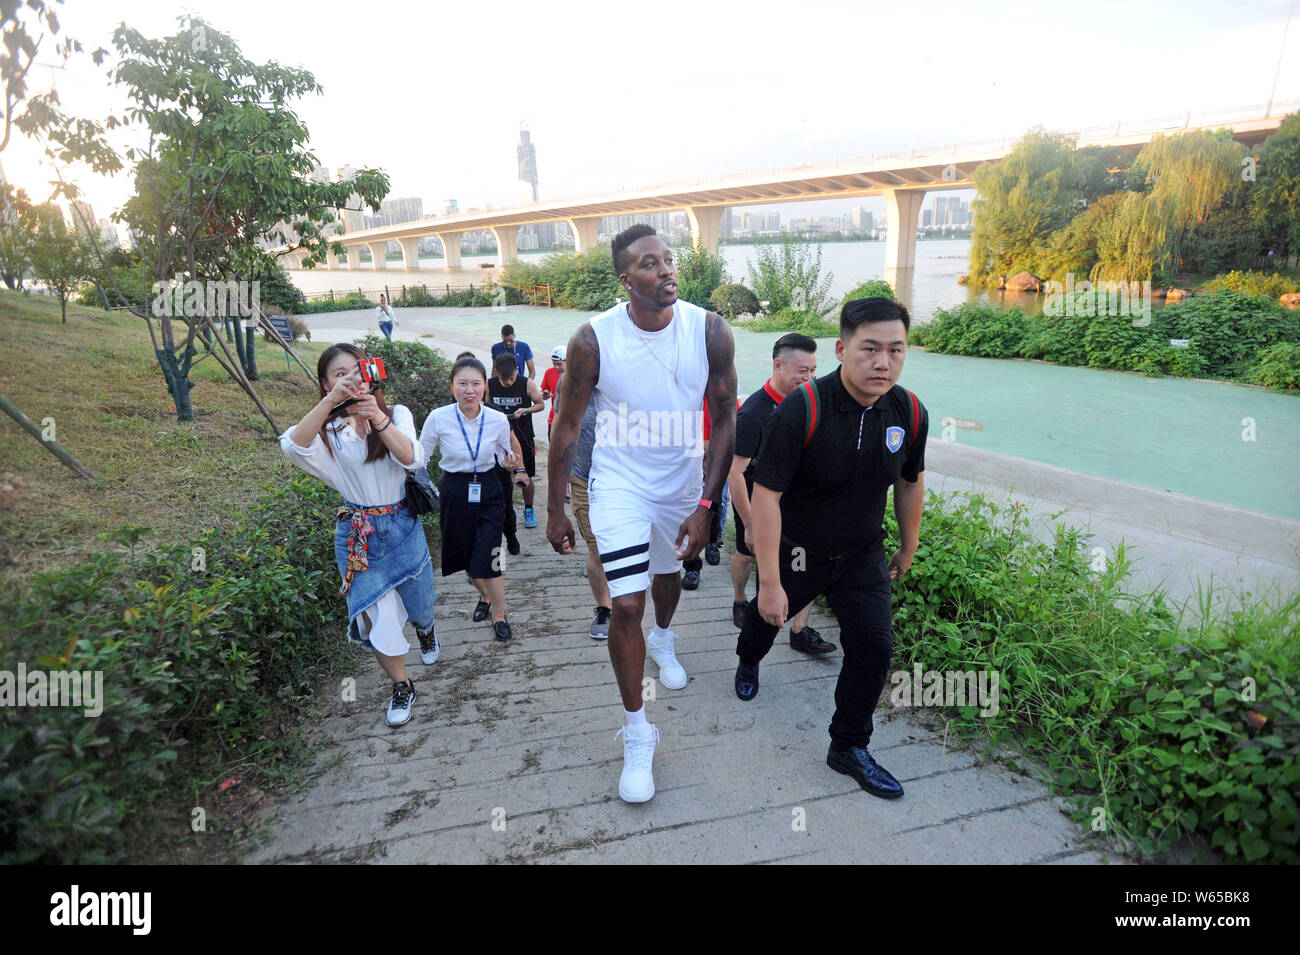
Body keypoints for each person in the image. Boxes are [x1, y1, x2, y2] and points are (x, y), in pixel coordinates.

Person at [547, 224, 736, 803]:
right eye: (649, 264)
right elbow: (567, 426)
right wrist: (554, 507)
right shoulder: (592, 340)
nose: (666, 270)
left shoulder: (709, 331)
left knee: (667, 579)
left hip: (682, 482)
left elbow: (727, 417)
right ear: (625, 278)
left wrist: (707, 504)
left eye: (669, 259)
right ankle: (638, 731)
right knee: (624, 601)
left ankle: (665, 636)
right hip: (620, 485)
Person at [735, 297, 927, 801]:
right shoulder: (803, 408)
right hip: (800, 550)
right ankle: (747, 658)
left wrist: (909, 545)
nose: (882, 362)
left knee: (875, 645)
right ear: (843, 349)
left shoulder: (908, 411)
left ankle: (847, 745)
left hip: (862, 553)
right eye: (869, 349)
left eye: (895, 350)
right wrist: (772, 583)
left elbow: (910, 481)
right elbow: (767, 495)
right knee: (766, 617)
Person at [280, 343, 436, 727]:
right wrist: (333, 401)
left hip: (401, 522)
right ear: (325, 383)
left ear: (370, 373)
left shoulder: (395, 413)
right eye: (339, 374)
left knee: (420, 606)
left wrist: (379, 420)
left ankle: (426, 629)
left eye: (355, 370)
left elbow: (413, 458)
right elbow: (292, 445)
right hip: (357, 532)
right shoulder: (327, 430)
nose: (350, 379)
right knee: (373, 615)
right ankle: (402, 684)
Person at [728, 332, 832, 655]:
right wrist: (749, 523)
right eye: (803, 371)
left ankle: (799, 630)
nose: (810, 377)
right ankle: (740, 599)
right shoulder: (754, 413)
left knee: (807, 562)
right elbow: (735, 472)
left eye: (814, 370)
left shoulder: (810, 404)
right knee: (748, 555)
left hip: (796, 502)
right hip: (756, 499)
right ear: (778, 365)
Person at [420, 356, 527, 641]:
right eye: (463, 384)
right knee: (467, 560)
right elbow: (419, 456)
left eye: (476, 384)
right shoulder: (438, 418)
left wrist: (512, 464)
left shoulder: (496, 419)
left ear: (484, 387)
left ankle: (500, 615)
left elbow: (505, 454)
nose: (470, 390)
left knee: (491, 557)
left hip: (490, 489)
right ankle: (485, 596)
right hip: (455, 489)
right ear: (452, 386)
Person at [486, 353, 545, 542]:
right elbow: (484, 406)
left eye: (512, 378)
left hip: (523, 435)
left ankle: (529, 509)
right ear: (496, 373)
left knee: (525, 474)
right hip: (498, 439)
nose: (509, 382)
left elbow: (540, 404)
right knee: (499, 476)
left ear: (517, 370)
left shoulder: (527, 383)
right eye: (504, 379)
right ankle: (504, 510)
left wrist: (525, 410)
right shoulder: (490, 384)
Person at [569, 399, 611, 639]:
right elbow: (563, 429)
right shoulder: (571, 380)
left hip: (624, 479)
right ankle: (605, 609)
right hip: (583, 478)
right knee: (596, 549)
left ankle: (629, 603)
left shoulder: (626, 375)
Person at [681, 394, 733, 587]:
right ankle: (692, 567)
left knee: (714, 504)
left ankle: (712, 541)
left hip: (714, 458)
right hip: (686, 458)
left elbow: (731, 423)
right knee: (689, 510)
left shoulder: (720, 385)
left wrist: (713, 452)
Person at [540, 346, 566, 439]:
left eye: (559, 364)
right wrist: (545, 395)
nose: (556, 367)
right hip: (554, 416)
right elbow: (543, 394)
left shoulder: (576, 375)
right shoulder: (549, 372)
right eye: (554, 364)